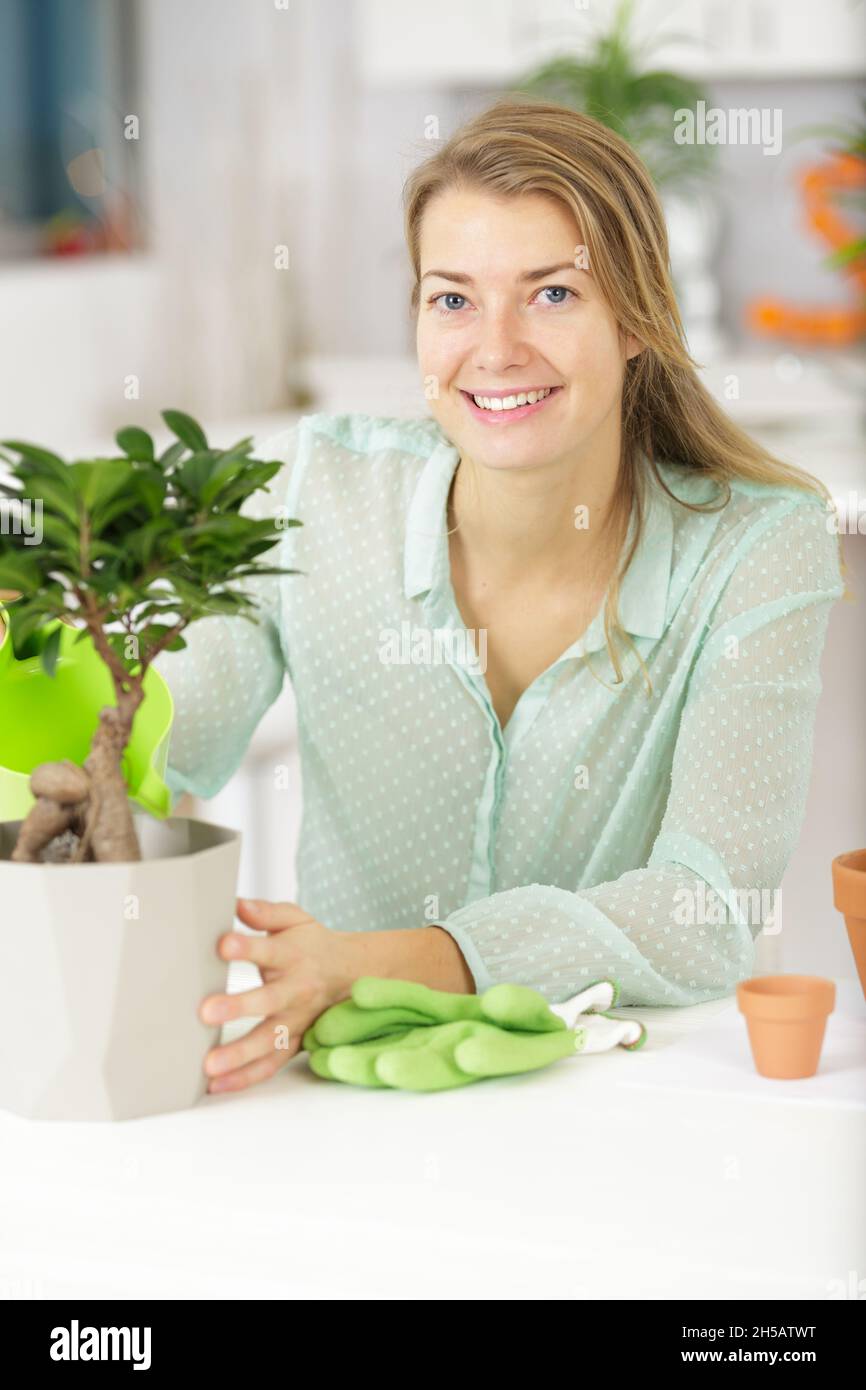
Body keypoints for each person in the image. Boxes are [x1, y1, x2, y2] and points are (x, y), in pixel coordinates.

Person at [149, 98, 845, 1094]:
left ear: (636, 318)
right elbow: (163, 743)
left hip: (634, 1110)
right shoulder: (317, 494)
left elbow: (707, 908)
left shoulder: (753, 545)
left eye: (552, 294)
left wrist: (395, 957)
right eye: (453, 299)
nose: (496, 347)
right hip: (346, 1106)